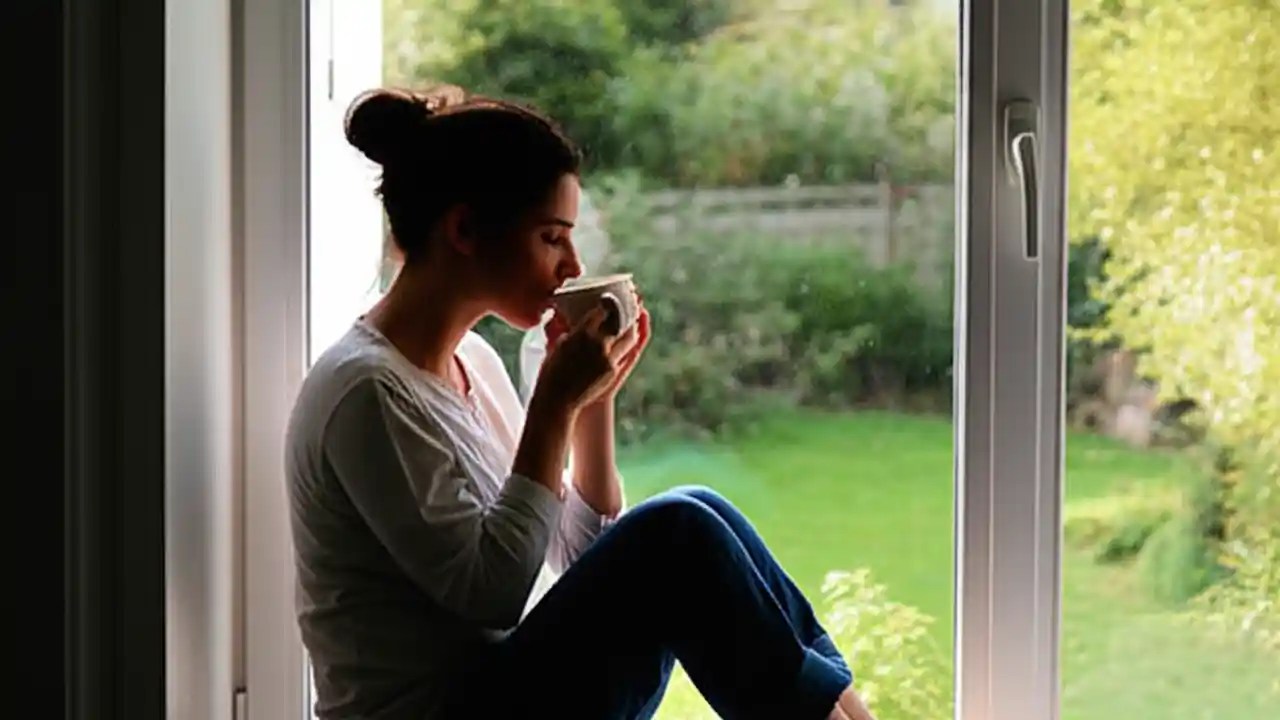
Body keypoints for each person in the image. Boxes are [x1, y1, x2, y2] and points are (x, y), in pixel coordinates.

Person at [284, 85, 877, 720]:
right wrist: (553, 406)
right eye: (551, 237)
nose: (572, 265)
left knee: (700, 509)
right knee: (678, 534)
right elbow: (492, 594)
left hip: (498, 691)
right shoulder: (368, 393)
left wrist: (593, 404)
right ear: (463, 230)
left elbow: (569, 557)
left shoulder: (471, 361)